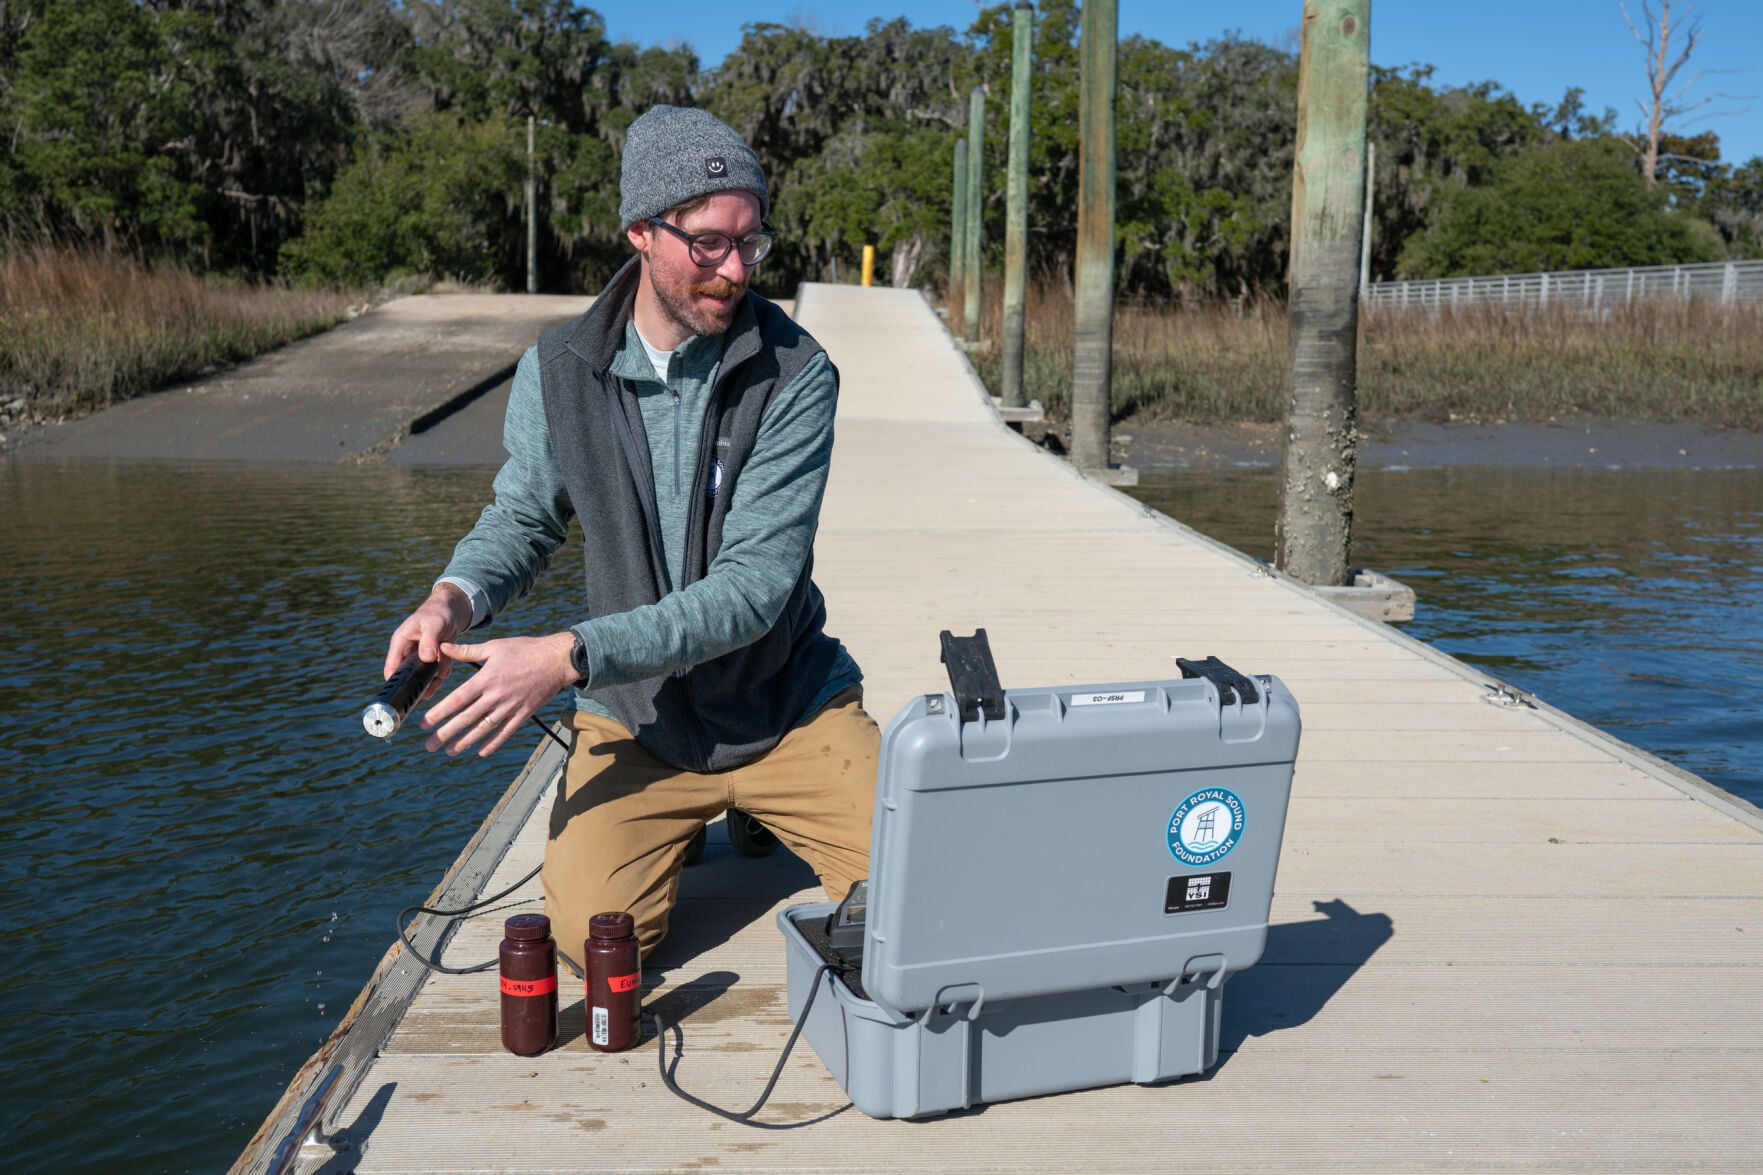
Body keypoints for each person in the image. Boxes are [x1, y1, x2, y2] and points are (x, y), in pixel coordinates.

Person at [383, 105, 877, 969]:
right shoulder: (557, 367)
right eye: (708, 244)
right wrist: (452, 596)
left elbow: (754, 589)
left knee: (938, 890)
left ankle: (756, 805)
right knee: (592, 945)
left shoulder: (798, 374)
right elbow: (525, 513)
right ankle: (679, 821)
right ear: (641, 232)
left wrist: (565, 655)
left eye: (750, 243)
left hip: (785, 703)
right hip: (636, 719)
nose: (734, 270)